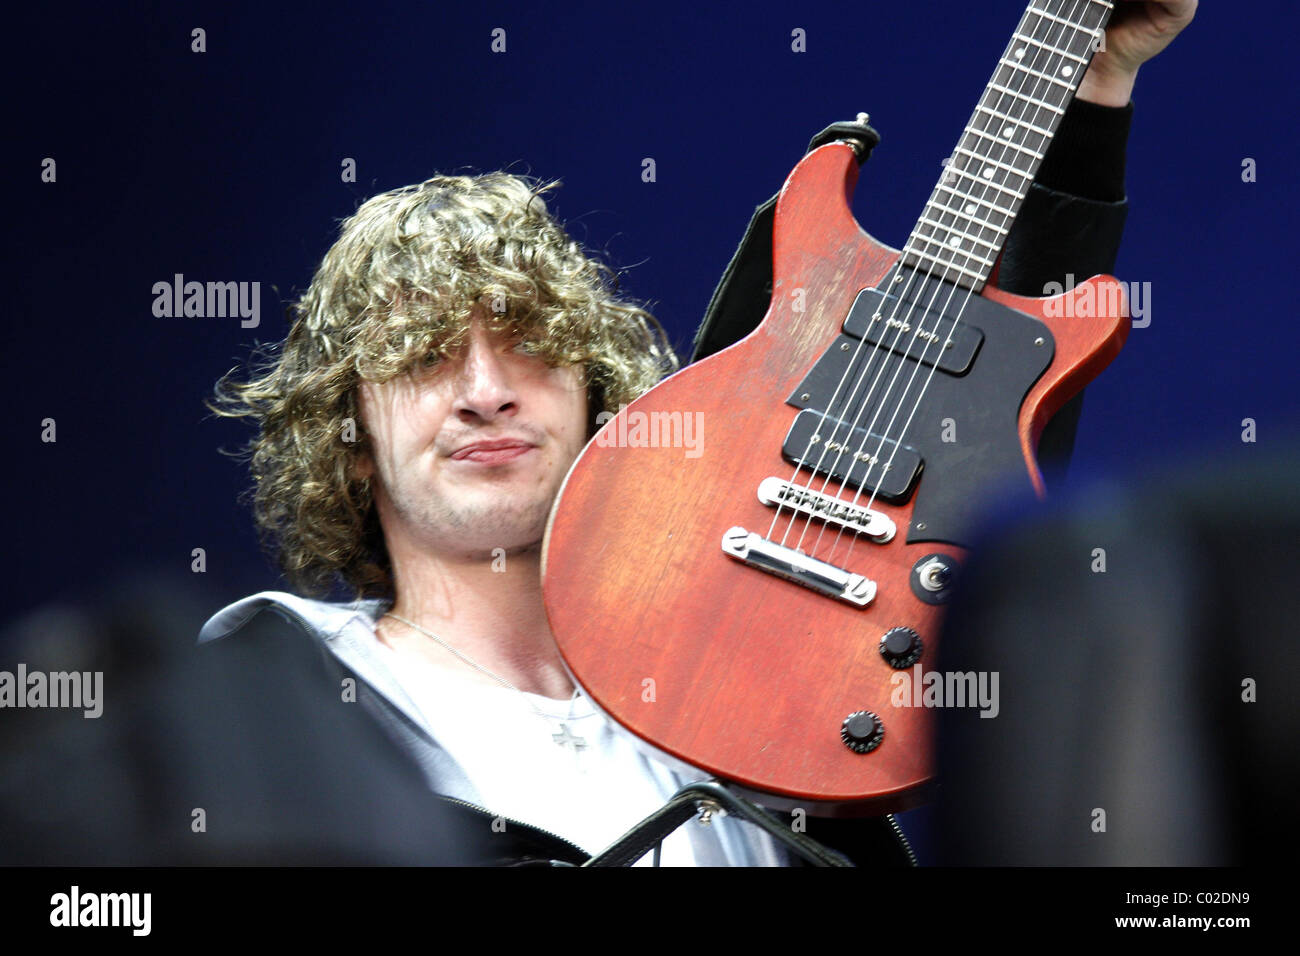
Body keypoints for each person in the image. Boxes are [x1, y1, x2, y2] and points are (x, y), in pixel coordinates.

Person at [201, 0, 1197, 866]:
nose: (485, 391)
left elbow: (985, 419)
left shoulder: (767, 681)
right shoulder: (285, 698)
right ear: (345, 427)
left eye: (528, 346)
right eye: (424, 359)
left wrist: (1091, 74)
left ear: (600, 394)